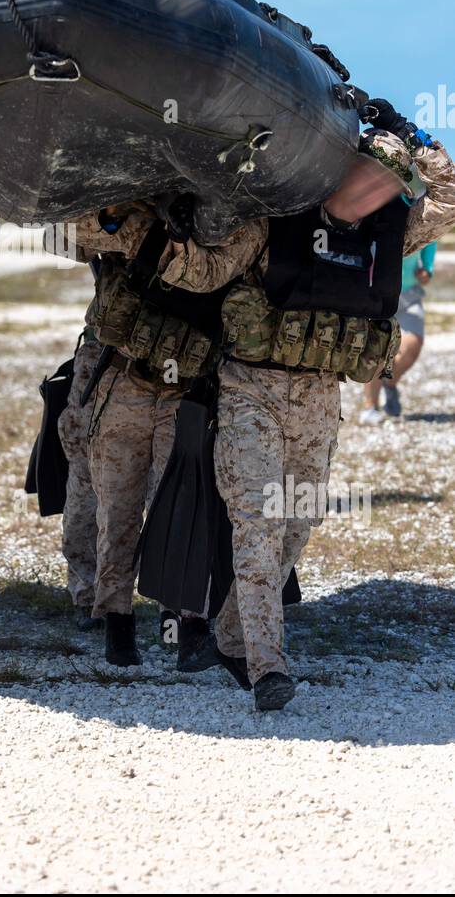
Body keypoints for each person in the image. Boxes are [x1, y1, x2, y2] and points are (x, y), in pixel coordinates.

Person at [154, 102, 455, 711]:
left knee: (295, 527)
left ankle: (233, 637)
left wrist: (412, 135)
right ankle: (269, 666)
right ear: (338, 170)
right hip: (251, 393)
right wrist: (178, 229)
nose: (375, 191)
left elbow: (450, 195)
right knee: (260, 524)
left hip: (321, 398)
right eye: (367, 174)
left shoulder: (385, 234)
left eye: (389, 187)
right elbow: (202, 273)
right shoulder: (275, 223)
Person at [51, 203, 225, 668]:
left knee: (183, 507)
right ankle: (117, 622)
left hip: (184, 388)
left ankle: (189, 625)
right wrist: (115, 217)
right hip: (125, 379)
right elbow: (63, 237)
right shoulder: (124, 214)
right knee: (117, 509)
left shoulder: (215, 215)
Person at [57, 324, 103, 631]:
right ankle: (89, 595)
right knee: (85, 489)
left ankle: (182, 607)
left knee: (169, 493)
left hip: (176, 366)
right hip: (102, 357)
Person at [360, 242, 437, 422]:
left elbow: (430, 237)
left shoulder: (416, 212)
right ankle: (370, 407)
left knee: (413, 345)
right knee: (377, 352)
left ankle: (390, 382)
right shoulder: (377, 214)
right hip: (377, 295)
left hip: (409, 294)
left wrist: (427, 269)